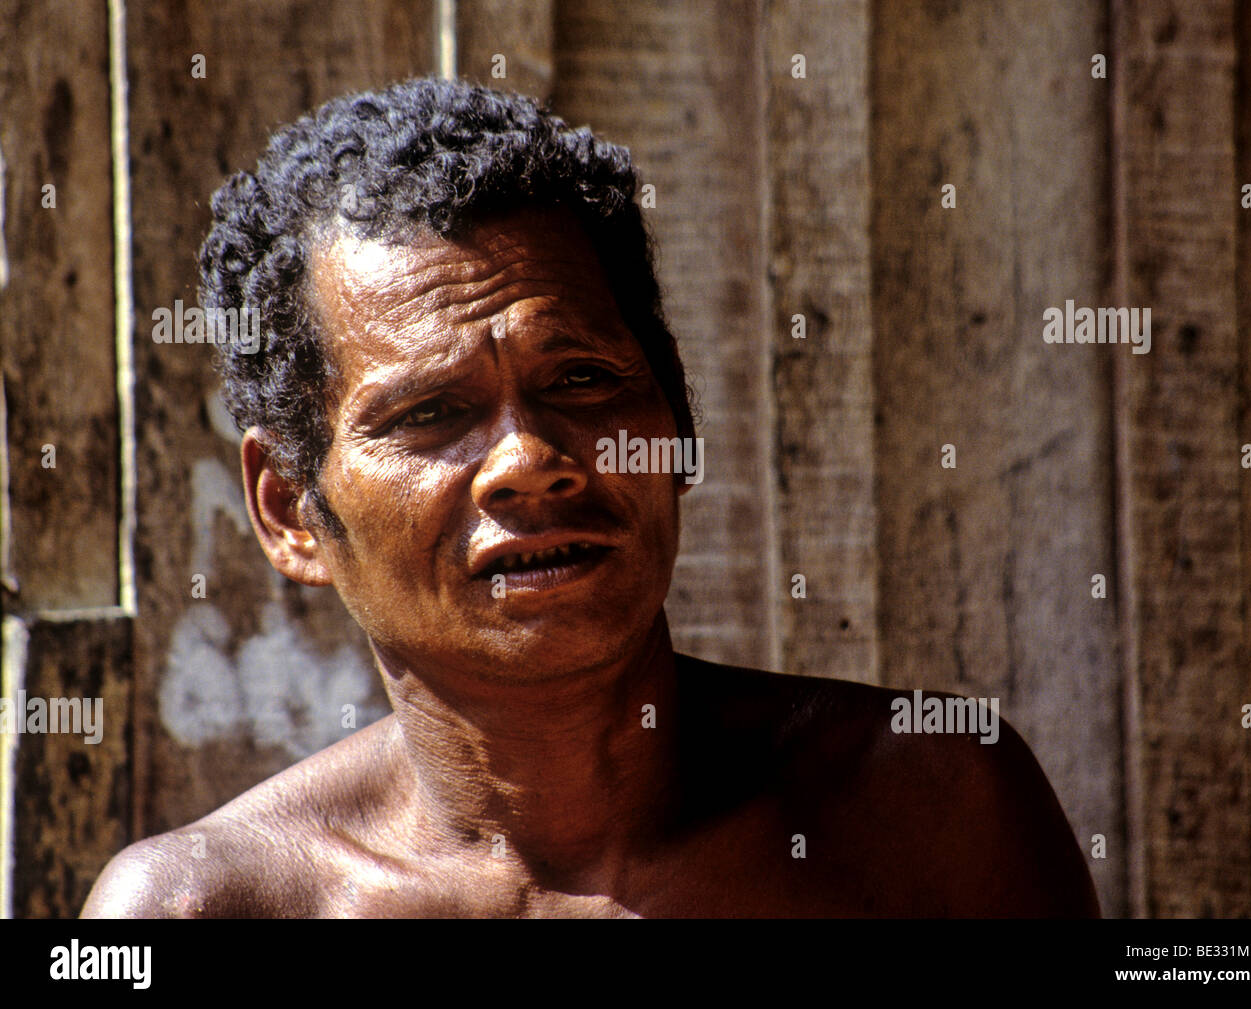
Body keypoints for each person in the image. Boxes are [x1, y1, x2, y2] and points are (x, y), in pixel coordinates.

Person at [83, 77, 1099, 918]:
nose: (528, 458)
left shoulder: (925, 810)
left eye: (580, 380)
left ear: (677, 425)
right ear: (287, 511)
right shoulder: (200, 912)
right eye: (431, 413)